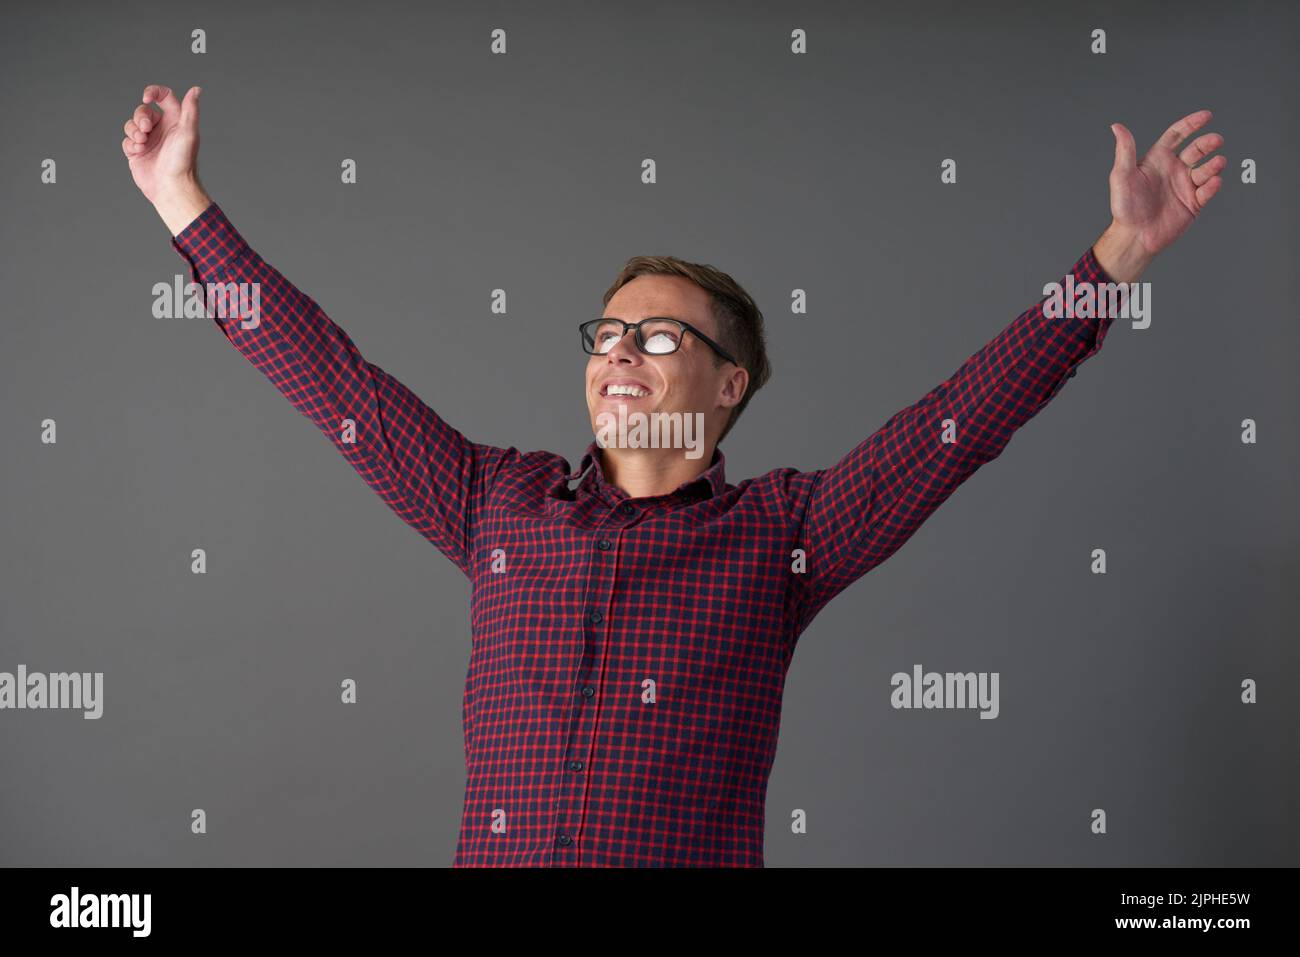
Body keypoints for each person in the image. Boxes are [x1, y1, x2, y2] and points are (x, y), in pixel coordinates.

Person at [121, 84, 1225, 866]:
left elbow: (963, 419)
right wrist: (182, 201)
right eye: (606, 334)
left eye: (656, 339)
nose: (616, 353)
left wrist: (1117, 257)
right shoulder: (495, 501)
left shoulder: (787, 534)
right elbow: (333, 382)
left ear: (729, 383)